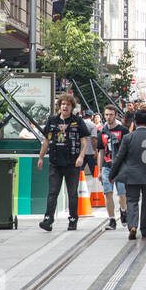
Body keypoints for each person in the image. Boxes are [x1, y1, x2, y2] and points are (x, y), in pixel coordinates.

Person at [109, 108, 146, 239]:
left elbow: (119, 158)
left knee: (131, 200)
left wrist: (112, 174)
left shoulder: (128, 138)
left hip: (132, 176)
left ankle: (133, 226)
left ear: (135, 121)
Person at [37, 95, 89, 231]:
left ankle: (73, 219)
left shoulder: (77, 121)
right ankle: (48, 219)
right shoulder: (52, 120)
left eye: (68, 105)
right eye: (63, 104)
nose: (65, 107)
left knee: (72, 192)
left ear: (72, 107)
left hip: (72, 163)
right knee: (53, 192)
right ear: (59, 106)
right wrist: (41, 157)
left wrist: (81, 157)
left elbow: (84, 141)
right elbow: (46, 141)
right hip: (55, 162)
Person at [97, 105, 128, 230]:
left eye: (110, 114)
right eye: (106, 115)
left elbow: (128, 150)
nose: (108, 117)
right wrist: (99, 170)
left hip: (120, 167)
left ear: (115, 115)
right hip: (107, 166)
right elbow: (101, 152)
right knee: (108, 193)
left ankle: (123, 210)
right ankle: (111, 219)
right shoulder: (102, 132)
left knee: (122, 194)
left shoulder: (123, 130)